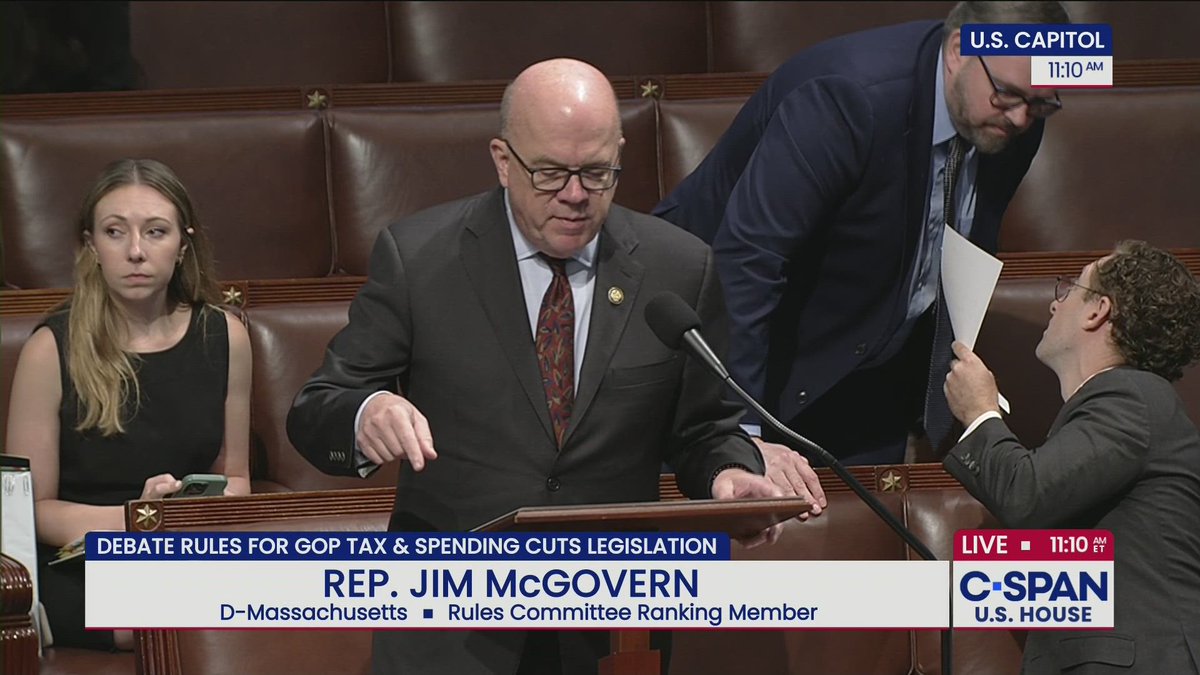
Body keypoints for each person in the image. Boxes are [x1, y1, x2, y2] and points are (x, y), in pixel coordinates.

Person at [287, 58, 822, 675]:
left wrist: (728, 476)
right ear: (503, 160)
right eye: (549, 173)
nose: (574, 195)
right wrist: (365, 412)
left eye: (596, 172)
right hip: (452, 627)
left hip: (611, 627)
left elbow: (703, 429)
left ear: (619, 155)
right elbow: (318, 407)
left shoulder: (679, 268)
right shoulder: (420, 258)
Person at [653, 1, 1069, 465]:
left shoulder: (1013, 120)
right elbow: (750, 259)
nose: (1020, 118)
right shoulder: (849, 98)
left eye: (1041, 103)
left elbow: (954, 243)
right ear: (958, 50)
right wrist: (736, 433)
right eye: (1007, 95)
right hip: (726, 360)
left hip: (860, 366)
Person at [5, 158, 252, 651]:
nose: (136, 251)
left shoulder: (225, 335)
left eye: (155, 231)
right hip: (80, 556)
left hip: (188, 549)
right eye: (115, 232)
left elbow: (236, 479)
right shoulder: (49, 349)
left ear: (183, 245)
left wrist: (181, 524)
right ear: (91, 246)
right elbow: (29, 509)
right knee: (170, 613)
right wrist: (139, 520)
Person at [943, 241, 1200, 674]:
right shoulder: (1123, 404)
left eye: (1069, 289)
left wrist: (980, 414)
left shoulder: (1129, 398)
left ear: (1098, 310)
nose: (1054, 304)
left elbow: (1026, 495)